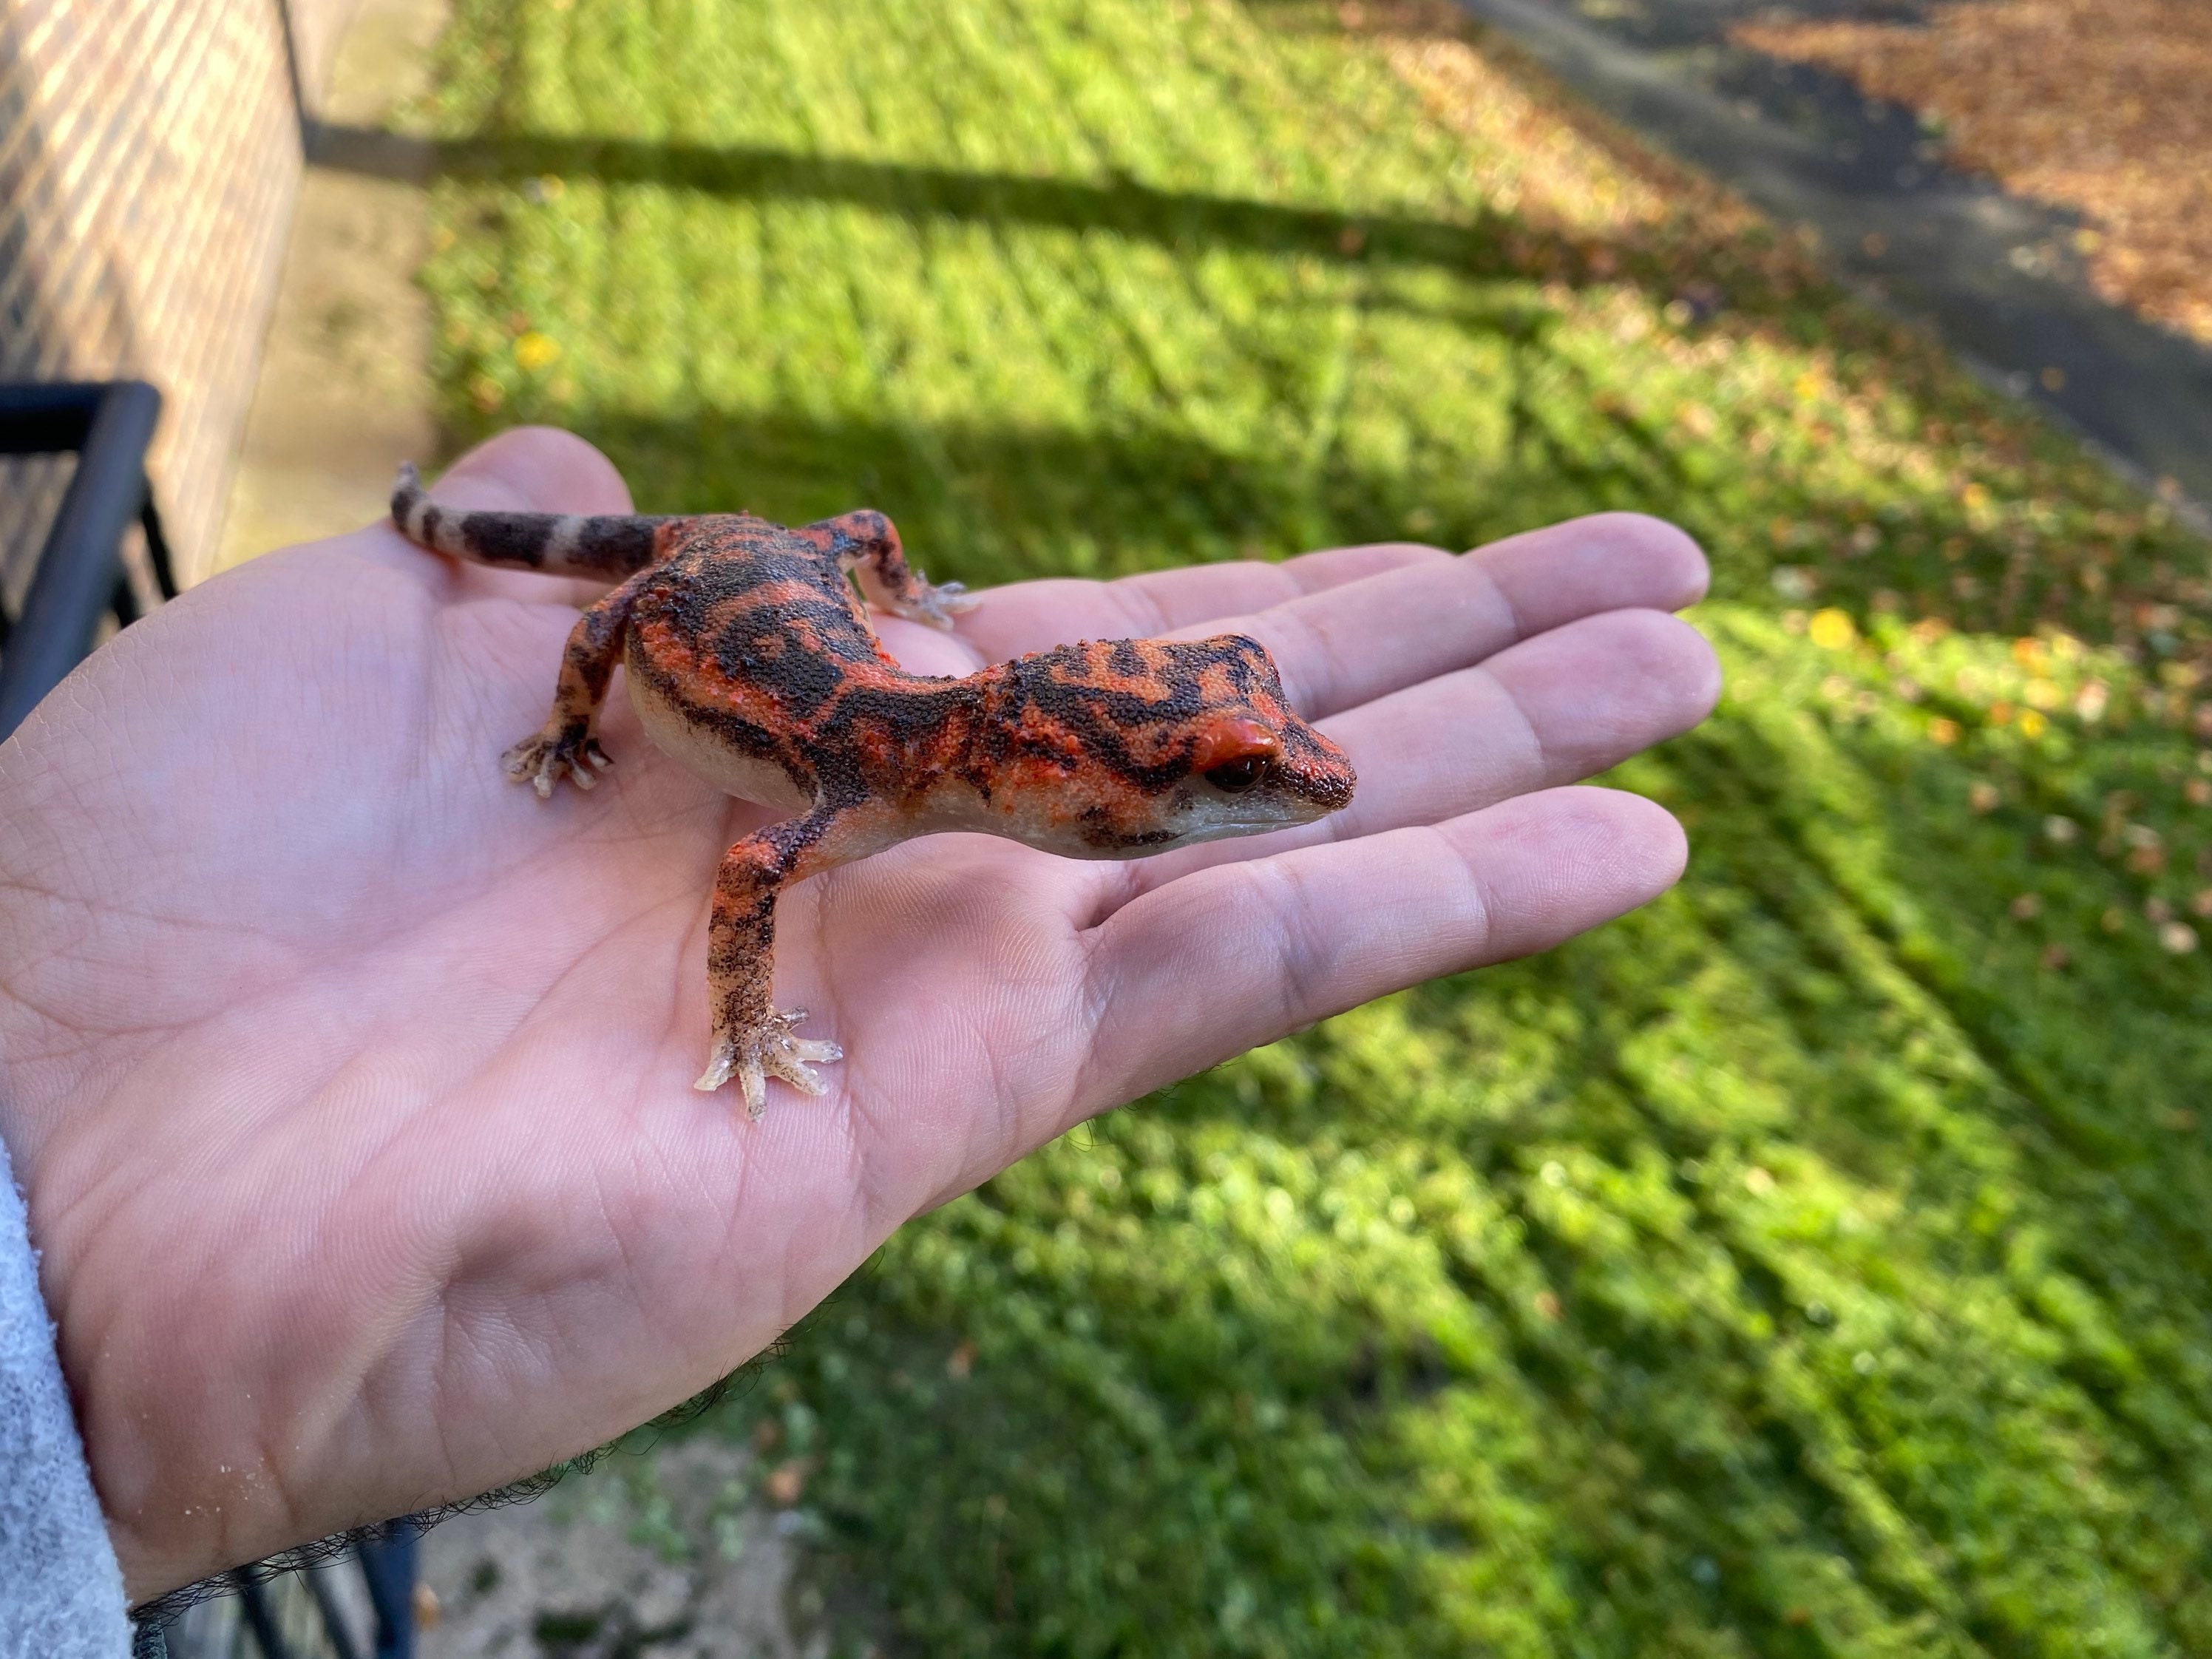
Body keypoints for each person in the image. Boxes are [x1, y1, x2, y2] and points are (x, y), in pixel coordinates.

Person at [0, 427, 1719, 1646]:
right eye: (1213, 779)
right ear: (1047, 785)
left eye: (1241, 754)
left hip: (801, 578)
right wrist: (694, 946)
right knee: (596, 581)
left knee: (837, 537)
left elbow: (866, 530)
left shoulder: (904, 742)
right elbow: (726, 826)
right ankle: (463, 545)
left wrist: (893, 576)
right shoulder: (846, 772)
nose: (1284, 786)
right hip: (710, 599)